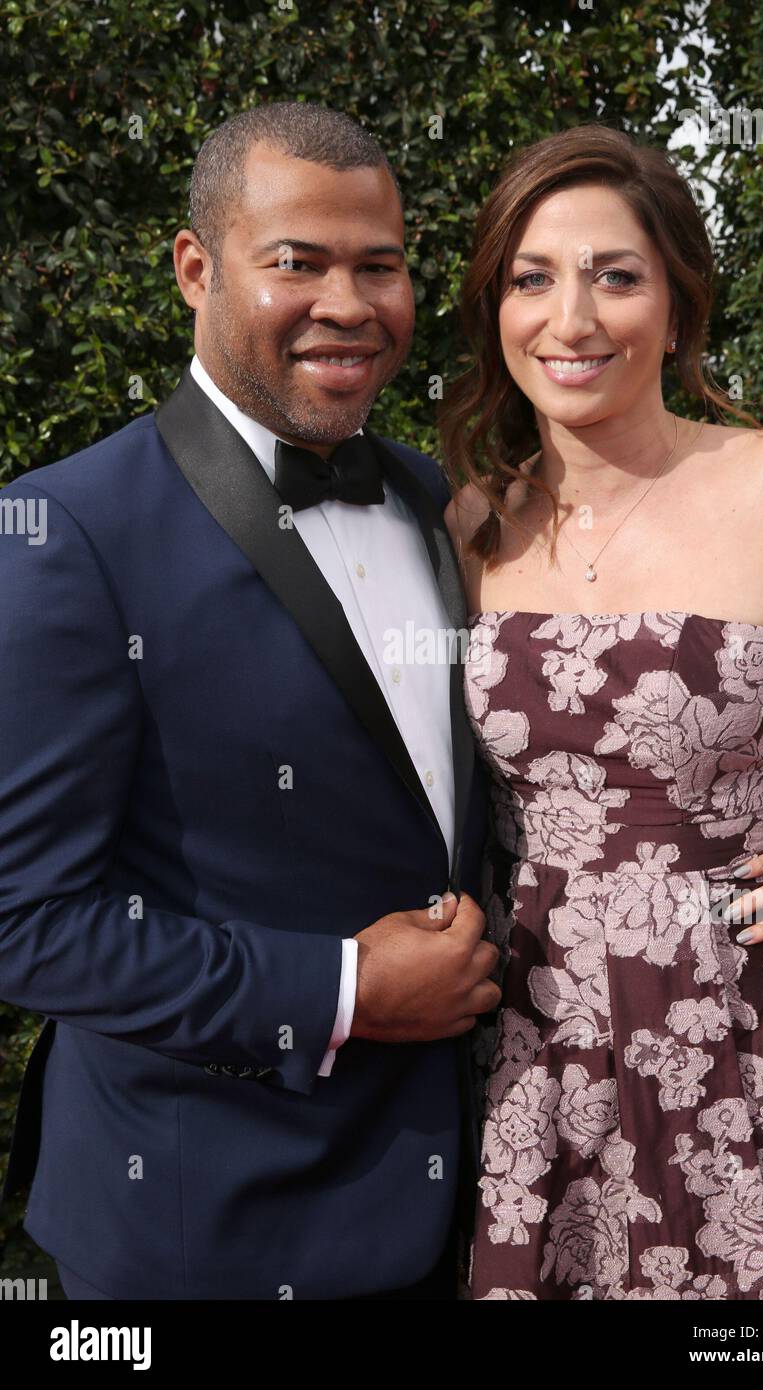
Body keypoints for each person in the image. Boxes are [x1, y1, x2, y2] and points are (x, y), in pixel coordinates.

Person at [0, 102, 503, 1301]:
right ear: (195, 268)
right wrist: (339, 989)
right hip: (199, 1234)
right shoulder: (69, 532)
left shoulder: (449, 503)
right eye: (298, 262)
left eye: (378, 265)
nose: (349, 301)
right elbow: (24, 917)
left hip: (476, 1207)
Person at [440, 124, 763, 1300]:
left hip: (760, 1036)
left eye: (614, 276)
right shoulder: (469, 526)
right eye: (532, 279)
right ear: (495, 312)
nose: (570, 319)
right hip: (540, 1056)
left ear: (678, 307)